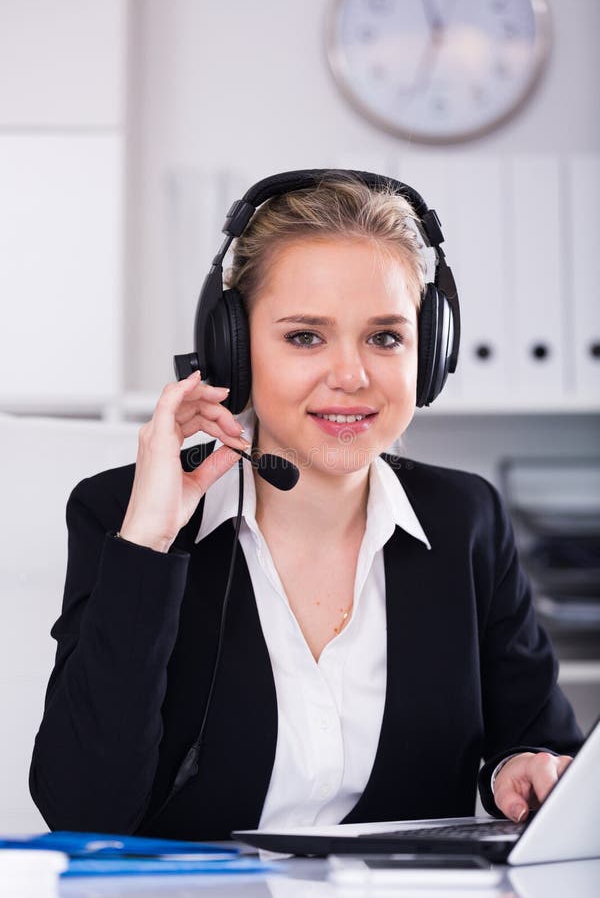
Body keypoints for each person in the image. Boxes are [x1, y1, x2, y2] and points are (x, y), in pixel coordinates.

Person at [30, 171, 582, 840]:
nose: (351, 376)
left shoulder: (465, 519)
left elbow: (540, 742)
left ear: (429, 352)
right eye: (304, 337)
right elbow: (83, 811)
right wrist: (147, 542)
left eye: (385, 338)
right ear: (231, 348)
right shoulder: (117, 511)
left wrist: (520, 769)